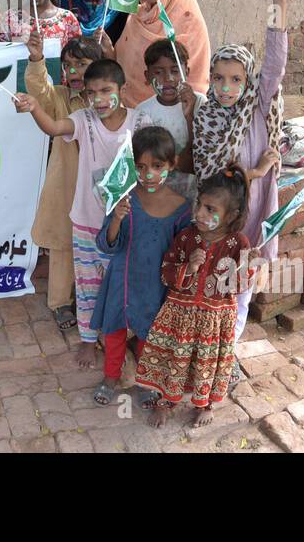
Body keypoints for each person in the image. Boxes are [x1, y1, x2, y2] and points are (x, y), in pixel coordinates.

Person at [14, 58, 151, 368]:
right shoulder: (83, 120)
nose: (99, 100)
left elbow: (152, 165)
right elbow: (53, 126)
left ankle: (120, 337)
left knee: (123, 284)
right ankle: (89, 341)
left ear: (122, 89)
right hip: (88, 223)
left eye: (106, 91)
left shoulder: (140, 123)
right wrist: (35, 107)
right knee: (88, 285)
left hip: (127, 223)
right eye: (92, 93)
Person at [188, 0, 292, 344]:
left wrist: (278, 6)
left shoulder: (259, 105)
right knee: (214, 276)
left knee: (244, 278)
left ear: (247, 80)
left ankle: (228, 346)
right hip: (220, 216)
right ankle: (210, 342)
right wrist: (258, 170)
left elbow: (276, 64)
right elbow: (212, 175)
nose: (226, 88)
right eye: (218, 79)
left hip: (256, 208)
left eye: (235, 79)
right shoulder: (207, 114)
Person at [137, 165, 252, 428]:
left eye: (210, 209)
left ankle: (205, 404)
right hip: (180, 318)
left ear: (231, 214)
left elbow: (239, 286)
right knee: (172, 363)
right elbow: (166, 272)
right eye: (200, 204)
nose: (200, 213)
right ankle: (165, 403)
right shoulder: (186, 237)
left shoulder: (239, 244)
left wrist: (247, 266)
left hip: (214, 321)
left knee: (207, 365)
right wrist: (188, 267)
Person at [89, 126, 192, 406]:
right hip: (122, 280)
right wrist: (117, 220)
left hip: (156, 284)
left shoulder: (182, 207)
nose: (148, 175)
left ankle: (147, 383)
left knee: (150, 335)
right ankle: (110, 379)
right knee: (114, 332)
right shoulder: (125, 199)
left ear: (172, 165)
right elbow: (106, 244)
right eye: (141, 167)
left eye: (157, 166)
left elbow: (184, 249)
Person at [24, 31, 103, 331]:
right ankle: (59, 303)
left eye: (81, 64)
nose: (72, 71)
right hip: (66, 185)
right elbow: (38, 90)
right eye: (68, 65)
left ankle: (92, 299)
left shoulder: (106, 99)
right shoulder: (58, 97)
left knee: (97, 244)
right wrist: (36, 58)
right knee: (62, 245)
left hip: (98, 190)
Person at [114, 0, 211, 105]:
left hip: (176, 121)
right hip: (129, 117)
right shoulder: (136, 16)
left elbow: (195, 84)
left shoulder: (190, 24)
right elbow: (122, 66)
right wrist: (108, 51)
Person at [133, 39, 202, 162]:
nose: (168, 78)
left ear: (186, 72)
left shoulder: (200, 102)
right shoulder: (142, 111)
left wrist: (189, 116)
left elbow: (202, 148)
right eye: (158, 72)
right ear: (147, 76)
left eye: (175, 71)